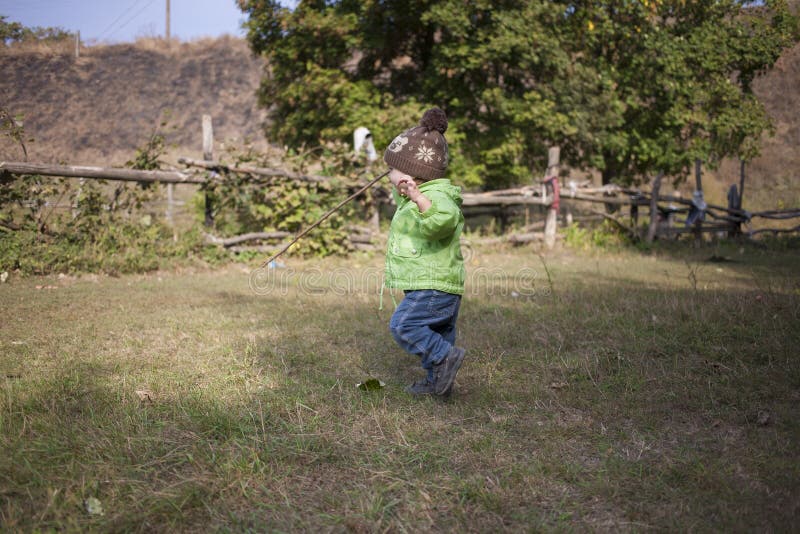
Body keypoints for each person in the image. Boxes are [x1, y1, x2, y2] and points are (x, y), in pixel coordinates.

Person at [382, 107, 467, 397]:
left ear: (412, 176)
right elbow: (405, 194)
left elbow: (441, 224)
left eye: (392, 170)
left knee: (404, 325)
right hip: (429, 281)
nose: (388, 174)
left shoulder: (437, 197)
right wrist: (410, 193)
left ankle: (445, 357)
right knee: (439, 331)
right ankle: (437, 383)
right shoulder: (414, 197)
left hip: (434, 283)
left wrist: (419, 198)